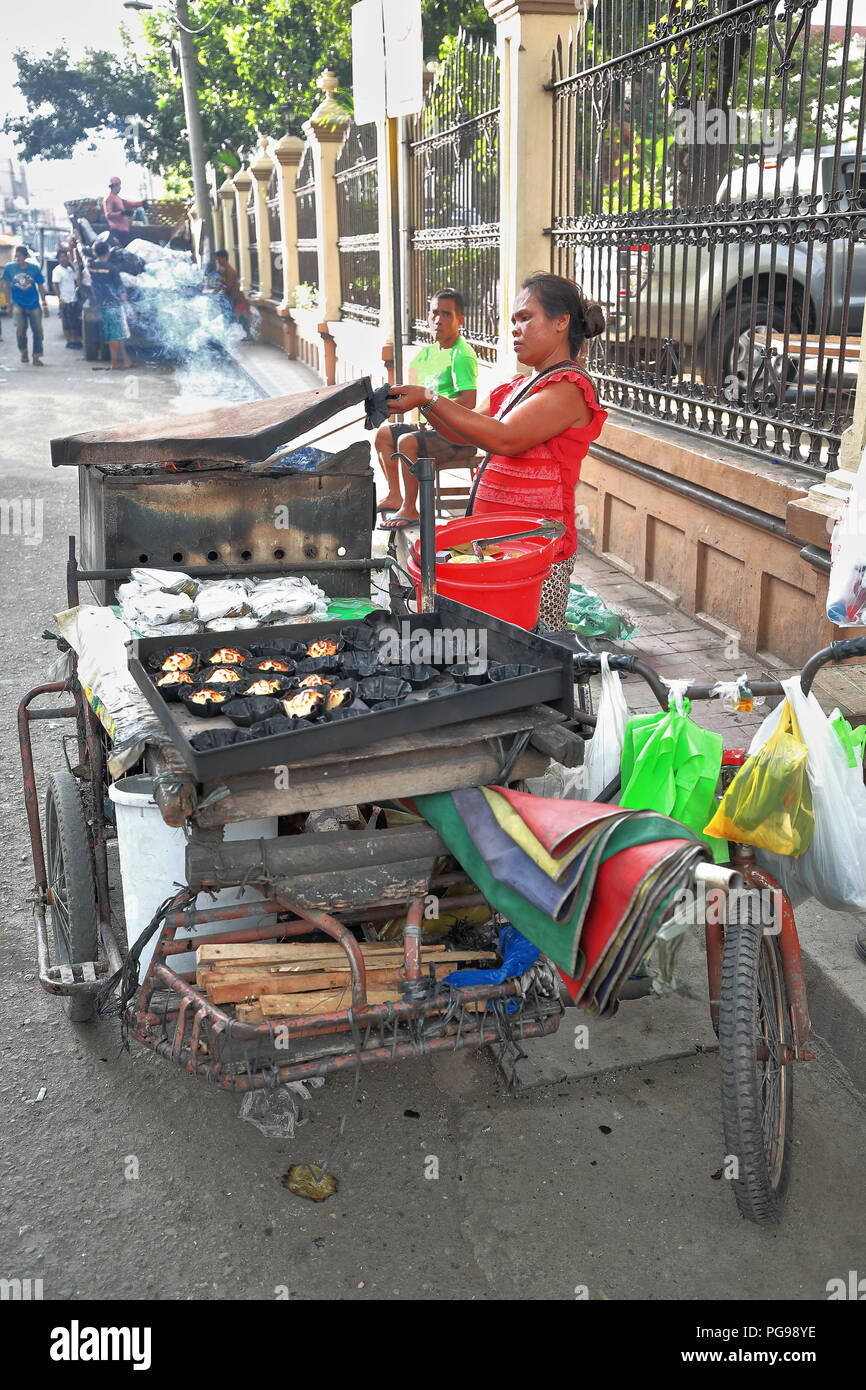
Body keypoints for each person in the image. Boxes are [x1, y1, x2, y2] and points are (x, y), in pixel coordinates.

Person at [386, 272, 607, 629]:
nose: (515, 329)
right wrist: (424, 405)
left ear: (561, 321)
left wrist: (429, 396)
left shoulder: (569, 388)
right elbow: (465, 431)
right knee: (489, 646)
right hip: (497, 548)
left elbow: (504, 438)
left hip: (536, 553)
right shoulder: (520, 386)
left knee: (529, 648)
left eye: (526, 318)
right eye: (513, 321)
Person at [376, 289, 479, 530]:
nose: (438, 320)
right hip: (432, 428)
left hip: (458, 434)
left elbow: (469, 401)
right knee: (383, 434)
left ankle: (411, 510)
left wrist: (430, 403)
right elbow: (419, 394)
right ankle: (395, 496)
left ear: (459, 321)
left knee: (407, 442)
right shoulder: (429, 353)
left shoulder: (461, 355)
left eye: (446, 314)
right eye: (434, 313)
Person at [88, 241, 133, 370]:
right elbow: (120, 289)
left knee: (119, 333)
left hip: (100, 302)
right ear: (108, 252)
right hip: (112, 303)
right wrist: (127, 304)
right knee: (115, 333)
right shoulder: (112, 268)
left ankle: (125, 360)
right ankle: (114, 362)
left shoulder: (91, 266)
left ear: (95, 252)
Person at [2, 245, 49, 365]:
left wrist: (44, 304)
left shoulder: (34, 269)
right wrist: (8, 304)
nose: (17, 258)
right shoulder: (9, 268)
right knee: (20, 330)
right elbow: (6, 286)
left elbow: (41, 286)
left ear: (25, 257)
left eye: (20, 256)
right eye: (16, 256)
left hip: (33, 304)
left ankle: (36, 356)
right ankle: (23, 351)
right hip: (18, 303)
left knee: (38, 331)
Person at [213, 250, 251, 338]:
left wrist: (220, 288)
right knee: (236, 317)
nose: (217, 261)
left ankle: (247, 335)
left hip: (237, 298)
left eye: (218, 259)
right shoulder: (224, 270)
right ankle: (243, 335)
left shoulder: (229, 271)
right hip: (233, 298)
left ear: (224, 258)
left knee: (241, 317)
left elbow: (229, 286)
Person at [51, 249, 82, 349]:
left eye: (65, 256)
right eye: (61, 257)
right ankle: (69, 341)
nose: (63, 259)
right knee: (66, 322)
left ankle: (75, 340)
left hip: (73, 299)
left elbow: (76, 281)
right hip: (65, 300)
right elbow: (55, 285)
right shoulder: (57, 270)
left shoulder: (70, 269)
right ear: (58, 259)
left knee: (74, 321)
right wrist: (60, 299)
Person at [102, 176, 144, 244]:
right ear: (114, 186)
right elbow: (108, 215)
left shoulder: (117, 198)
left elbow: (129, 203)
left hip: (124, 230)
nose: (120, 187)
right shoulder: (108, 198)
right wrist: (122, 213)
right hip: (117, 231)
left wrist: (141, 203)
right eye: (119, 185)